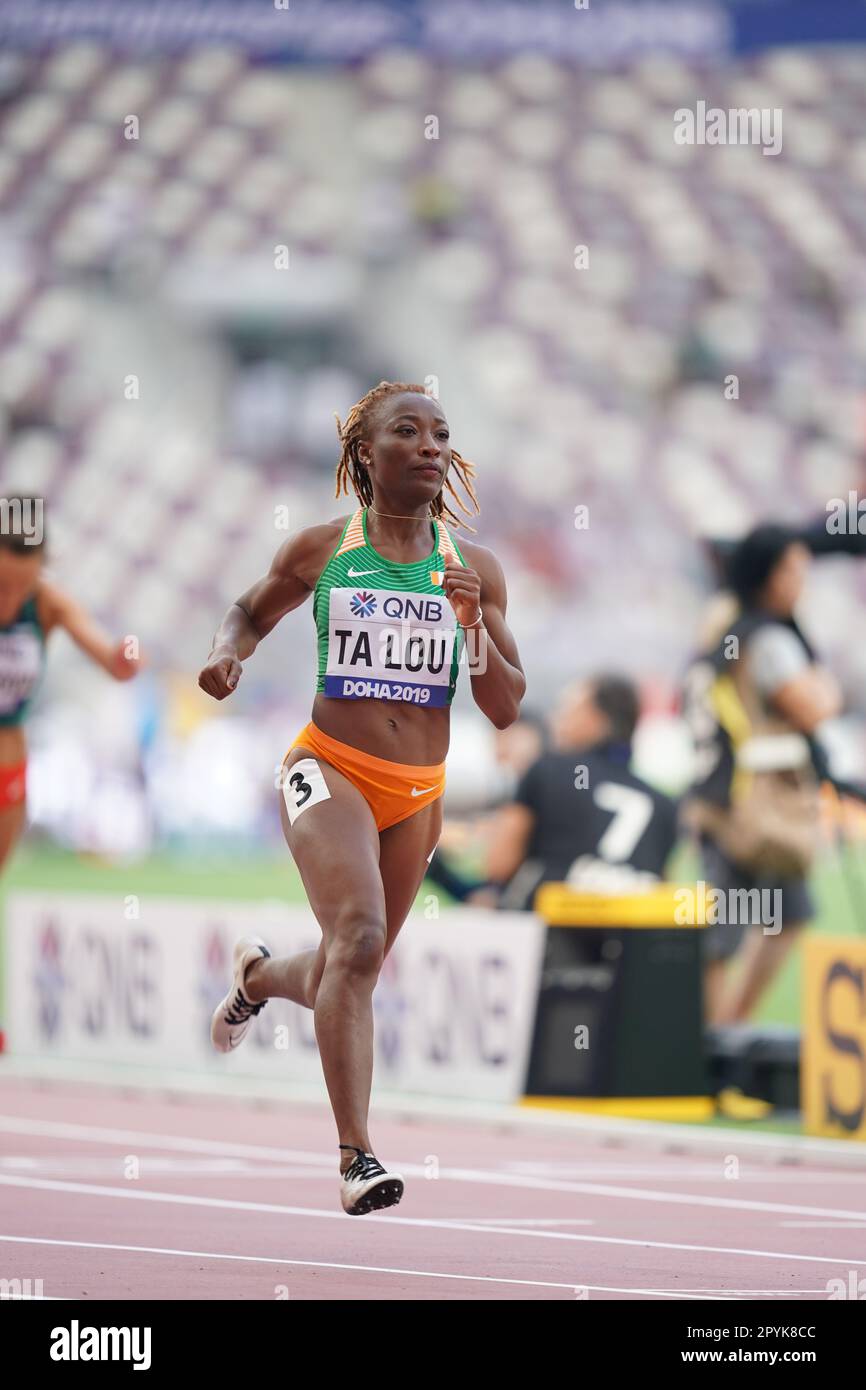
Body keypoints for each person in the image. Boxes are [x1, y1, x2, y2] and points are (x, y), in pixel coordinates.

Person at [198, 382, 525, 1215]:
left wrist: (474, 631)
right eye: (407, 432)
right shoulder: (321, 549)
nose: (429, 445)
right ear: (365, 456)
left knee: (354, 963)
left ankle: (260, 976)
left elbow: (506, 706)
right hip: (328, 767)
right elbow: (247, 611)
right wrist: (226, 653)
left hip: (417, 791)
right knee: (361, 933)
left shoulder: (473, 570)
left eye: (441, 433)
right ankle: (357, 1158)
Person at [683, 525, 843, 1026]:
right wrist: (829, 685)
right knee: (727, 929)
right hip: (750, 806)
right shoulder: (770, 636)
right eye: (793, 569)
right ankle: (716, 1049)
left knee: (782, 914)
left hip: (728, 798)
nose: (802, 580)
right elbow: (813, 707)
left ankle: (729, 1030)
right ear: (768, 575)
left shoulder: (725, 627)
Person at [0, 498, 141, 876]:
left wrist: (125, 656)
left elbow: (108, 656)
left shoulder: (47, 604)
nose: (11, 601)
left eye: (22, 586)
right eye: (1, 586)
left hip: (9, 767)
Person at [484, 674, 678, 909]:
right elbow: (662, 890)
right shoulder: (664, 804)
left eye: (568, 708)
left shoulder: (548, 770)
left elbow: (498, 864)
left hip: (552, 932)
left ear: (597, 718)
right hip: (630, 937)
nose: (556, 719)